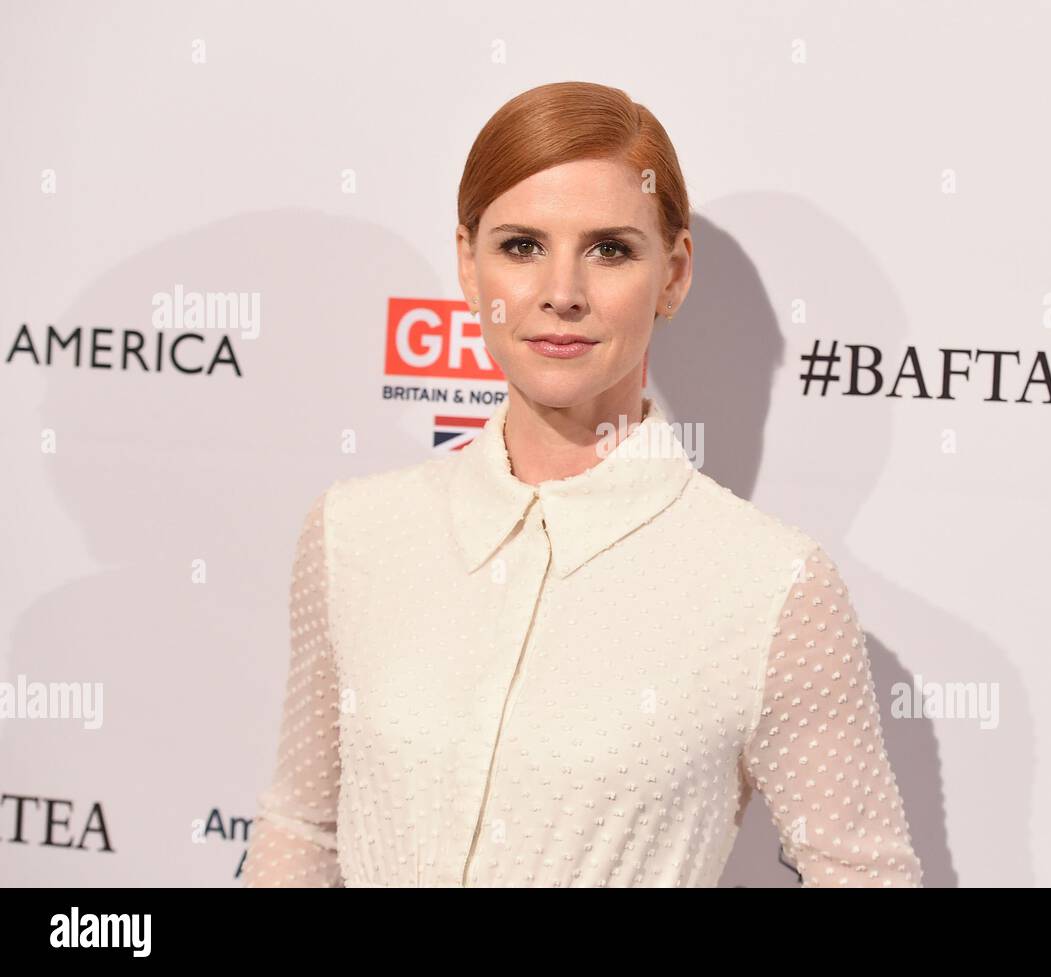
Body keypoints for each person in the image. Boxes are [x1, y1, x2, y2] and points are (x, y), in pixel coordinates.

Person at [243, 81, 923, 888]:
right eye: (522, 246)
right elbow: (303, 823)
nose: (561, 292)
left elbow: (864, 875)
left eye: (610, 249)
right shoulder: (353, 533)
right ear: (468, 264)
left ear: (672, 275)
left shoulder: (770, 587)